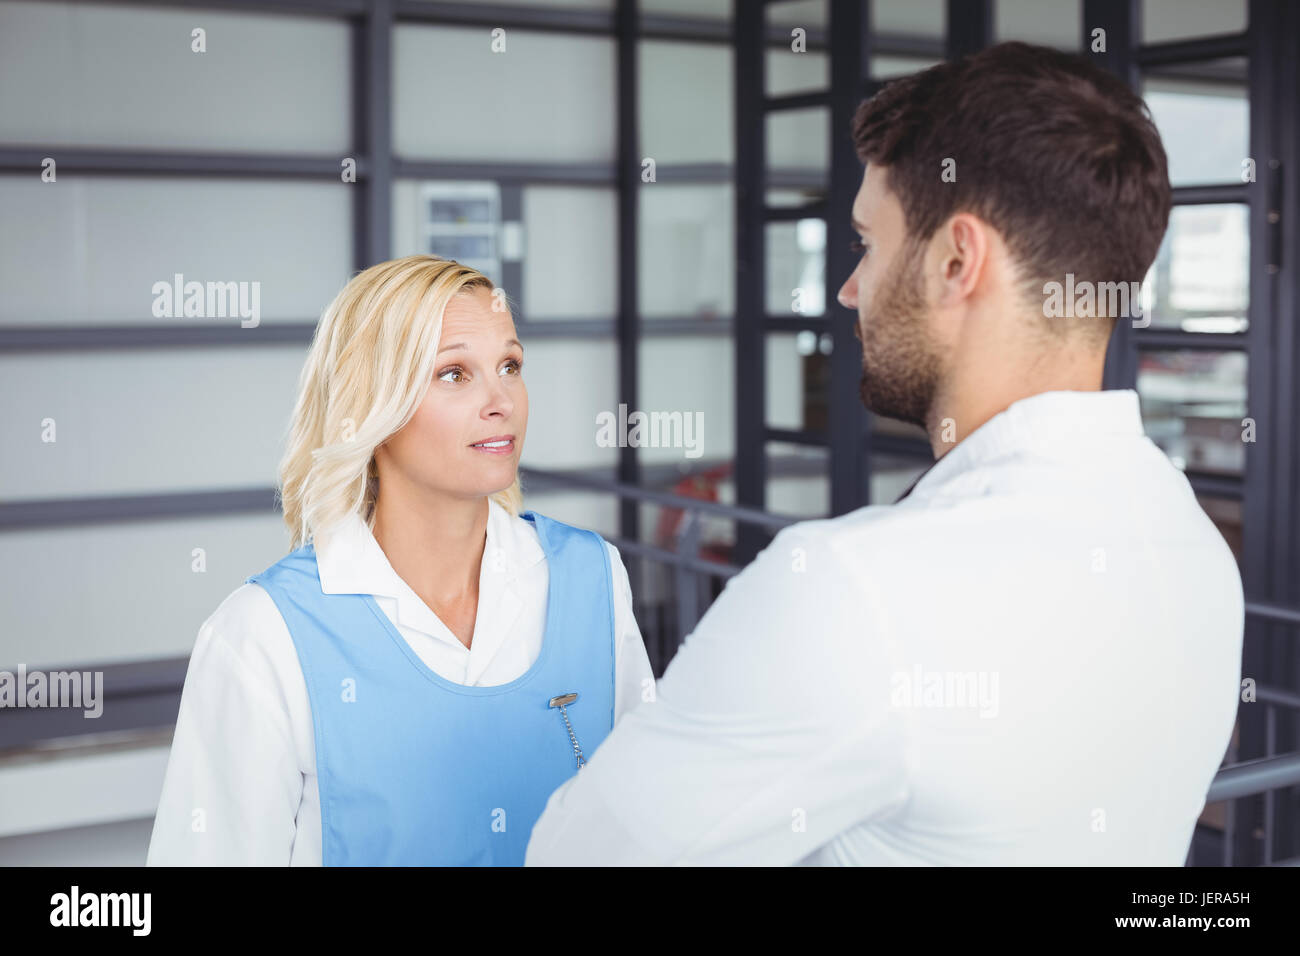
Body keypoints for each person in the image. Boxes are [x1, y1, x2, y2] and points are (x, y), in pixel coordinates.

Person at [525, 42, 1244, 866]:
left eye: (869, 241)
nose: (849, 287)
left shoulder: (854, 592)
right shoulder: (1191, 547)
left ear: (956, 260)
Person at [147, 255, 652, 865]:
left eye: (510, 366)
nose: (502, 401)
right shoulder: (263, 634)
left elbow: (645, 825)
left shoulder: (592, 577)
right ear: (372, 409)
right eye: (454, 374)